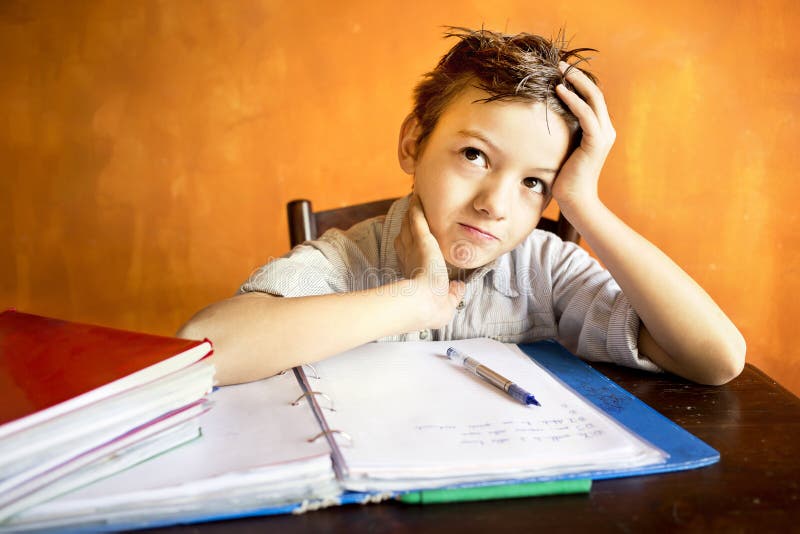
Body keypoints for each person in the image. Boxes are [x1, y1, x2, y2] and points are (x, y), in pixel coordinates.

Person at [178, 27, 745, 387]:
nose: (495, 203)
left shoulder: (545, 271)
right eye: (474, 154)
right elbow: (204, 349)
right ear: (412, 144)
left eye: (534, 182)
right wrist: (413, 302)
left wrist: (585, 203)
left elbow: (716, 359)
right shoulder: (347, 258)